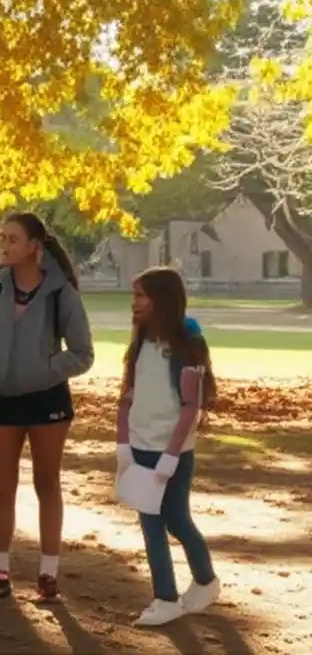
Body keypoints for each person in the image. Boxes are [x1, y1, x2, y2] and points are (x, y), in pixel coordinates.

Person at [0, 212, 94, 603]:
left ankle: (48, 576)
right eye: (2, 237)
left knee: (46, 485)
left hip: (48, 401)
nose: (4, 245)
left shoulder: (61, 293)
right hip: (3, 399)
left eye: (13, 239)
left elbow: (83, 353)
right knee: (2, 488)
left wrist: (41, 371)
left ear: (35, 247)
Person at [117, 267, 221, 627]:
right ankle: (180, 591)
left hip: (171, 453)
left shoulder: (184, 347)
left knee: (175, 521)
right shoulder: (142, 342)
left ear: (163, 299)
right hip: (142, 449)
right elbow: (129, 397)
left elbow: (192, 407)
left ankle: (177, 593)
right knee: (152, 523)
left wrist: (171, 455)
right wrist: (123, 445)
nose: (134, 304)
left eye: (141, 297)